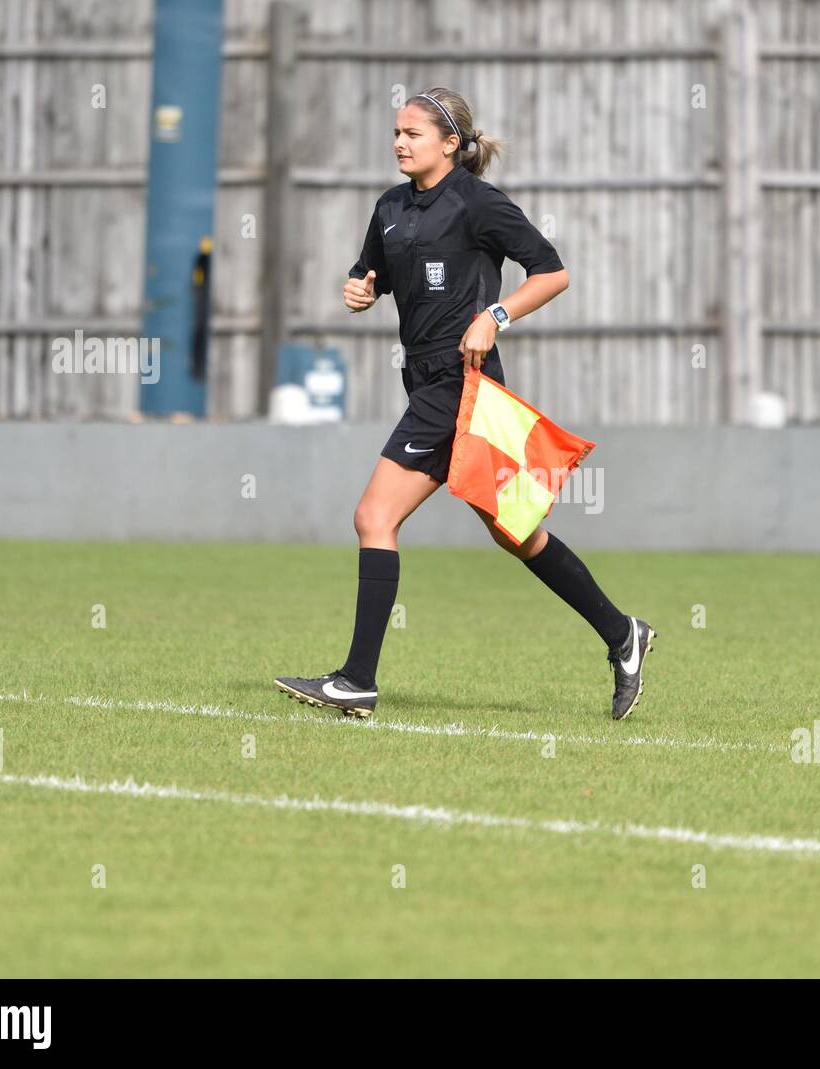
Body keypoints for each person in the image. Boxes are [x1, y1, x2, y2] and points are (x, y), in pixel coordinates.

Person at [274, 87, 655, 721]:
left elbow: (552, 272)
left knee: (374, 517)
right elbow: (376, 273)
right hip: (427, 385)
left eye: (414, 134)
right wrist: (361, 289)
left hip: (461, 384)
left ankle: (356, 681)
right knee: (516, 533)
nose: (400, 142)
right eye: (396, 131)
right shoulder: (390, 206)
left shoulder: (479, 203)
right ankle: (623, 634)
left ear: (450, 144)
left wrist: (495, 315)